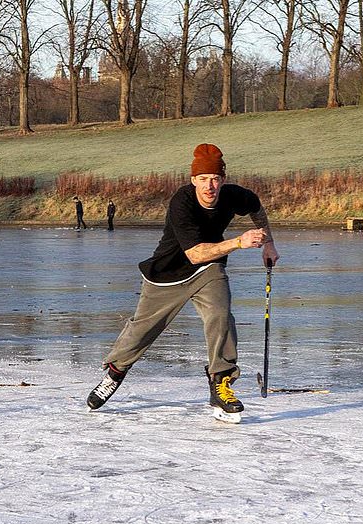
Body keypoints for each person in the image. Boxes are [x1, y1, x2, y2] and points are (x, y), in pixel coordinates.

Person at [89, 143, 278, 423]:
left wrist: (269, 244)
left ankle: (221, 383)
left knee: (220, 315)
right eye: (203, 179)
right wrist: (239, 242)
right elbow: (194, 253)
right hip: (168, 274)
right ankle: (115, 373)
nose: (209, 186)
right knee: (142, 330)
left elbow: (257, 209)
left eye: (215, 179)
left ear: (223, 180)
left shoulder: (233, 195)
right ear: (193, 180)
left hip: (208, 271)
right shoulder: (182, 202)